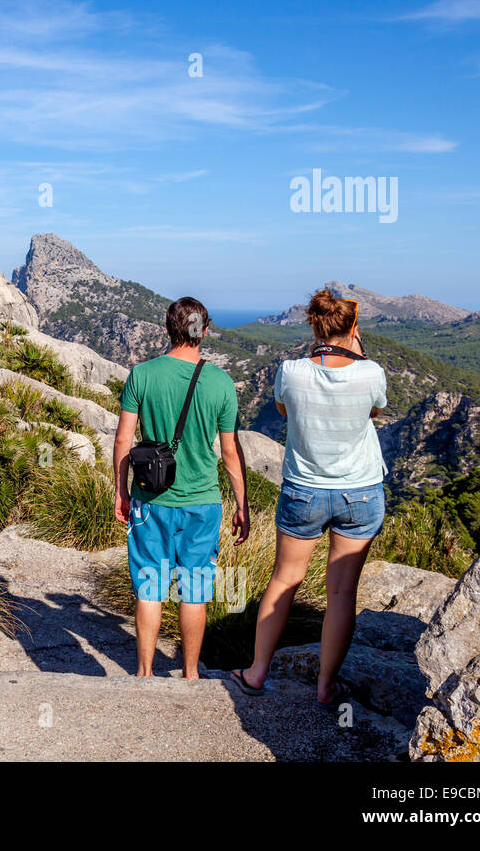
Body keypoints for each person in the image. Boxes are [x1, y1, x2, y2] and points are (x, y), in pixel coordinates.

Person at [230, 290, 387, 707]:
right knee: (341, 594)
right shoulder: (372, 373)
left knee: (284, 580)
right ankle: (325, 687)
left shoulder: (291, 371)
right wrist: (357, 352)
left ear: (313, 326)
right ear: (353, 327)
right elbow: (373, 412)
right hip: (360, 492)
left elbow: (284, 411)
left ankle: (257, 671)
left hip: (304, 491)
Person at [114, 297, 250, 680]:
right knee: (194, 589)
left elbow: (124, 440)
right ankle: (190, 675)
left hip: (149, 500)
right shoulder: (221, 382)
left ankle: (145, 673)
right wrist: (242, 505)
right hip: (202, 503)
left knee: (151, 586)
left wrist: (120, 491)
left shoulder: (142, 375)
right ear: (203, 330)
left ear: (167, 328)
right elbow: (229, 453)